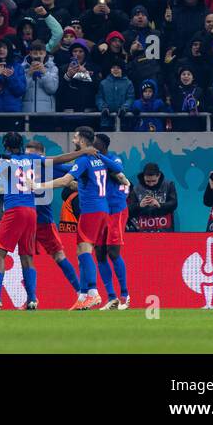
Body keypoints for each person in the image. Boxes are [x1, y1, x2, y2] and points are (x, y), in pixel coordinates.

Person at [0, 131, 87, 311]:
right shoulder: (40, 163)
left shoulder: (18, 161)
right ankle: (34, 298)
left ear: (40, 153)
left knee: (55, 255)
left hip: (38, 218)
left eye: (33, 152)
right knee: (30, 256)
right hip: (34, 215)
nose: (29, 154)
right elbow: (71, 169)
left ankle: (81, 293)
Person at [34, 126, 129, 310]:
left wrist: (37, 185)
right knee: (81, 252)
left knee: (84, 249)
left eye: (76, 137)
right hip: (103, 211)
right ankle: (83, 295)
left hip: (91, 212)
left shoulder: (85, 160)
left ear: (83, 141)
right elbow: (117, 169)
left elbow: (64, 181)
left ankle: (93, 293)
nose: (73, 140)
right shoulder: (98, 159)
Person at [90, 133, 132, 310]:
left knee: (113, 252)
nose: (92, 145)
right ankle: (112, 297)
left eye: (95, 143)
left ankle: (125, 295)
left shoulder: (114, 159)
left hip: (116, 209)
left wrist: (100, 159)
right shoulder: (90, 161)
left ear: (103, 145)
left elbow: (118, 174)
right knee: (99, 252)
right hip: (101, 211)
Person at [129, 161, 179, 231]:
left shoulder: (169, 185)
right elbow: (129, 210)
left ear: (159, 176)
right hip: (143, 233)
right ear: (144, 176)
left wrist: (159, 205)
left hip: (165, 231)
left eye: (154, 181)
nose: (151, 184)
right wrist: (139, 205)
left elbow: (174, 203)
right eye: (148, 181)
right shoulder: (136, 189)